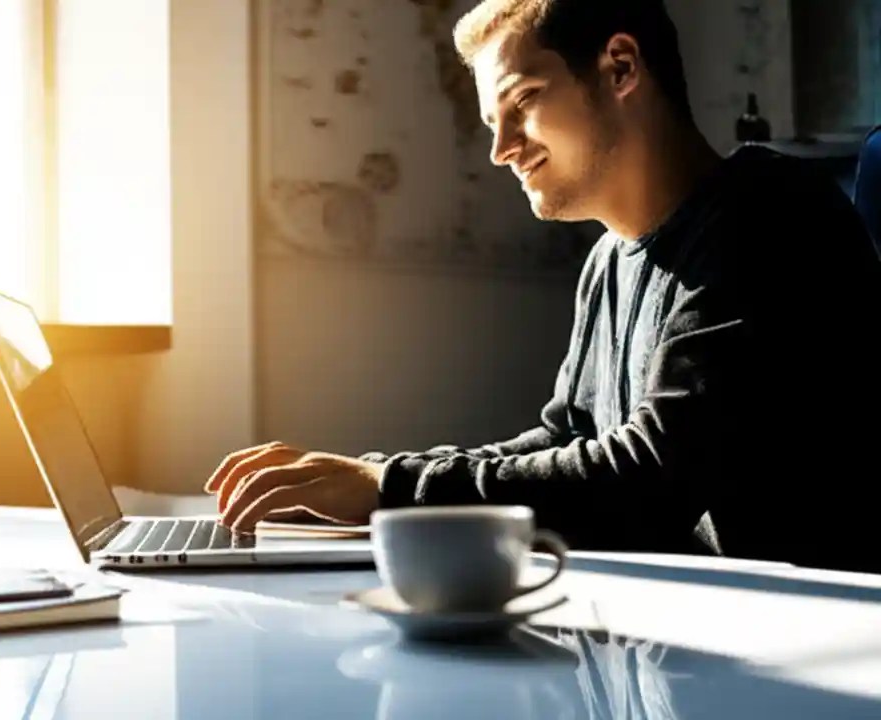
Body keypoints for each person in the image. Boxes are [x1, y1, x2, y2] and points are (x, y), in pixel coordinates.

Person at [205, 0, 881, 573]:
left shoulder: (769, 218)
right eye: (491, 122)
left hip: (804, 657)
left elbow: (647, 476)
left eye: (522, 101)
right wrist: (368, 477)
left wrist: (389, 488)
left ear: (620, 68)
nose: (501, 147)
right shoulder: (610, 261)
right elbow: (568, 439)